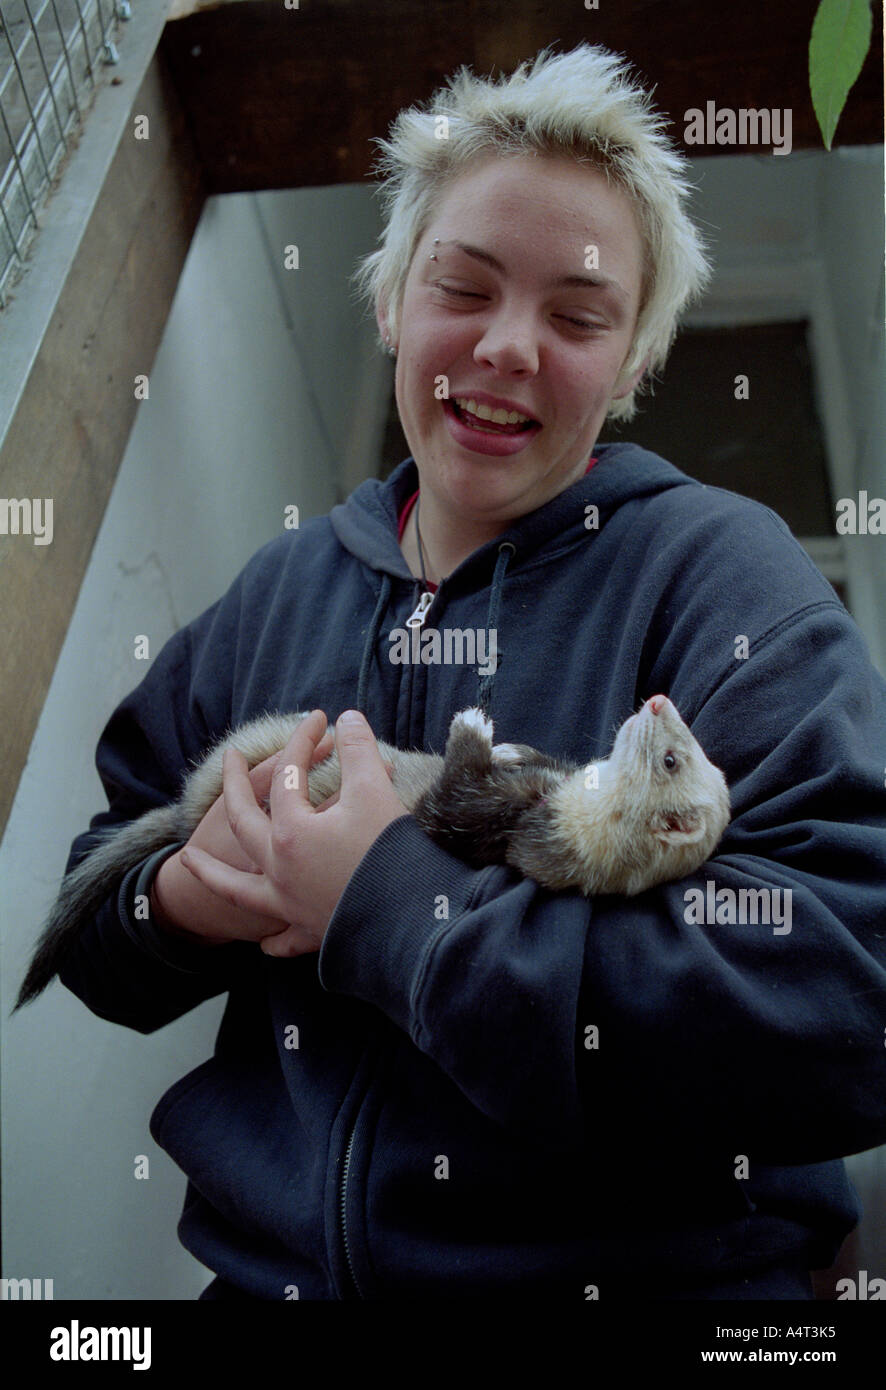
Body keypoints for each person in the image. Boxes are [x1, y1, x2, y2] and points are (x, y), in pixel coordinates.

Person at [57, 44, 886, 1300]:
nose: (508, 346)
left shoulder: (723, 576)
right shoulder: (273, 597)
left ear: (633, 363)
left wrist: (392, 907)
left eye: (576, 315)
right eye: (464, 285)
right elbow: (100, 919)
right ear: (391, 299)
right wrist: (186, 892)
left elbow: (841, 1002)